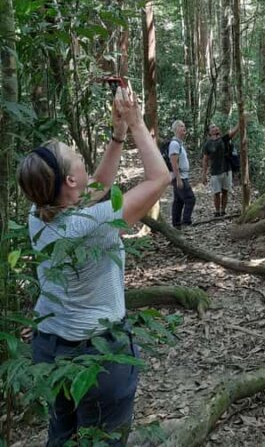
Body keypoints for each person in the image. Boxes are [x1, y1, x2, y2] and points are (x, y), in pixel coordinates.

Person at [17, 87, 170, 447]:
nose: (83, 161)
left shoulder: (38, 213)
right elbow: (159, 179)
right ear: (70, 181)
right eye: (77, 159)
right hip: (97, 355)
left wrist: (117, 135)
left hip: (49, 349)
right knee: (103, 439)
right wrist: (136, 123)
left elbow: (96, 188)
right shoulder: (93, 224)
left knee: (62, 433)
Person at [202, 120, 241, 217]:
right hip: (215, 172)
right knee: (216, 192)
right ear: (209, 132)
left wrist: (241, 120)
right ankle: (217, 211)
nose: (215, 128)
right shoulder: (207, 144)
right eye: (212, 127)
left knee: (225, 191)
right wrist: (204, 174)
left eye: (216, 126)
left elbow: (234, 131)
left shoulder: (224, 139)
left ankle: (223, 210)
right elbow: (205, 160)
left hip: (227, 170)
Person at [169, 120, 195, 228]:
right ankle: (185, 222)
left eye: (184, 126)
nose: (184, 128)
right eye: (181, 126)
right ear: (175, 129)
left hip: (181, 177)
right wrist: (178, 179)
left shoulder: (179, 144)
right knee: (190, 199)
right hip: (180, 177)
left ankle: (176, 224)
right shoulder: (175, 144)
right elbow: (173, 162)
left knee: (178, 201)